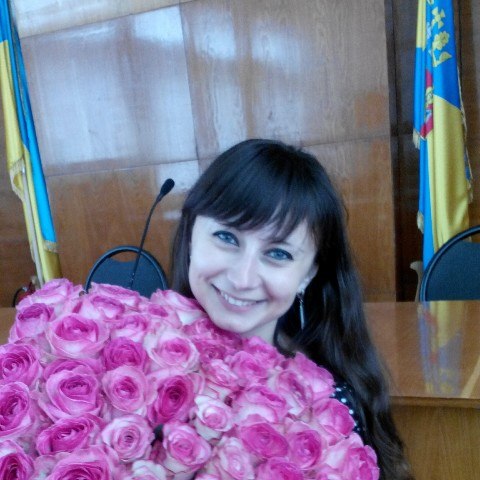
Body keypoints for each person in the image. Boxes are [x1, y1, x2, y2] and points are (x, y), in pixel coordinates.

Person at [171, 138, 413, 480]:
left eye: (278, 254)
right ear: (190, 234)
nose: (242, 279)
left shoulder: (329, 407)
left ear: (308, 274)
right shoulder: (128, 364)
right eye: (226, 237)